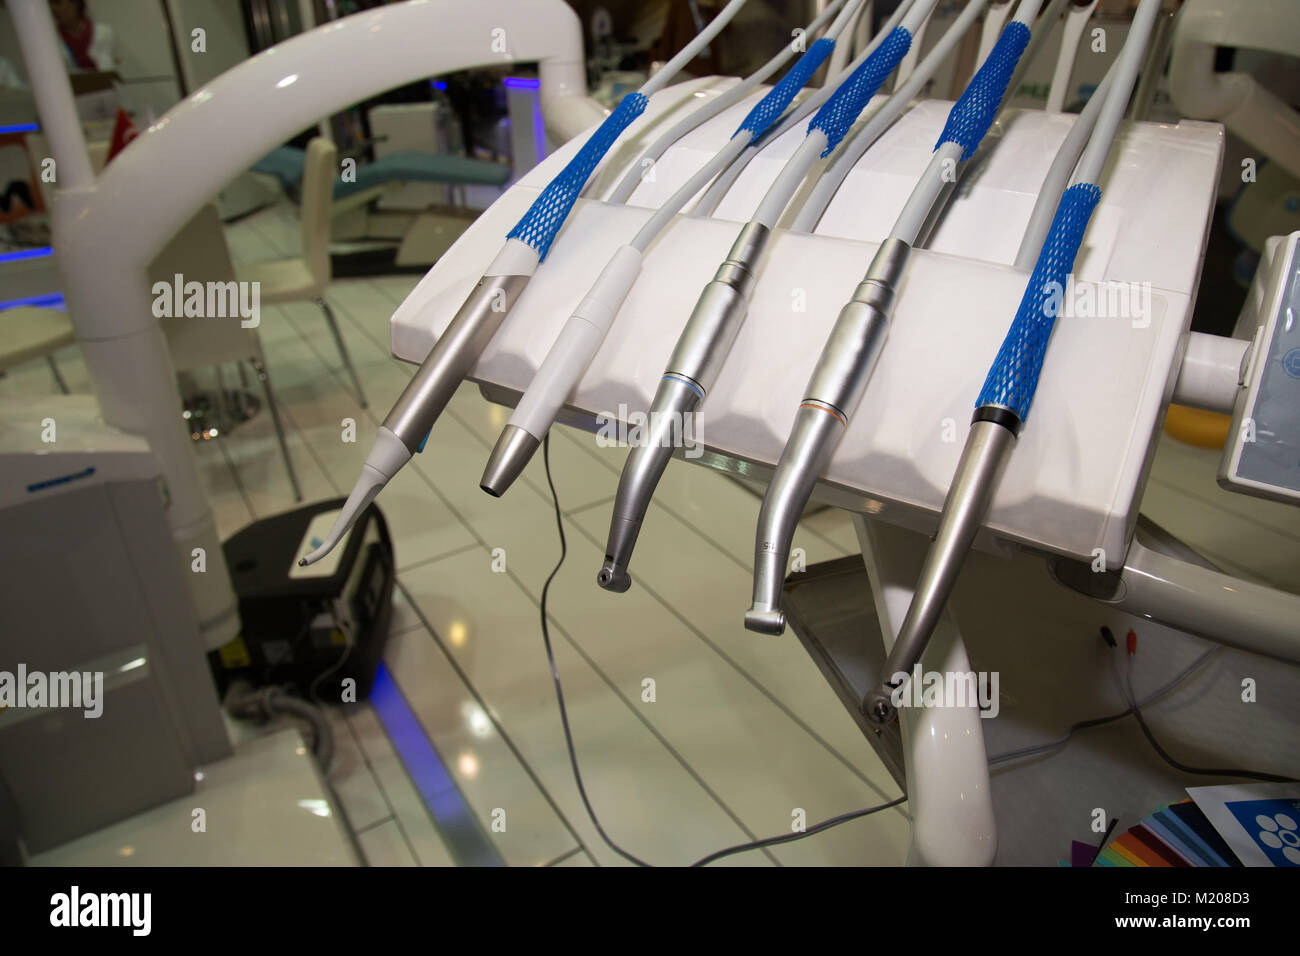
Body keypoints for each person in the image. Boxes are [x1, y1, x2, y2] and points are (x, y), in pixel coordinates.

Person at [49, 0, 115, 72]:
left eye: (57, 3)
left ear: (75, 4)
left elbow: (107, 70)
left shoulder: (103, 33)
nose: (53, 9)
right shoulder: (51, 38)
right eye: (50, 4)